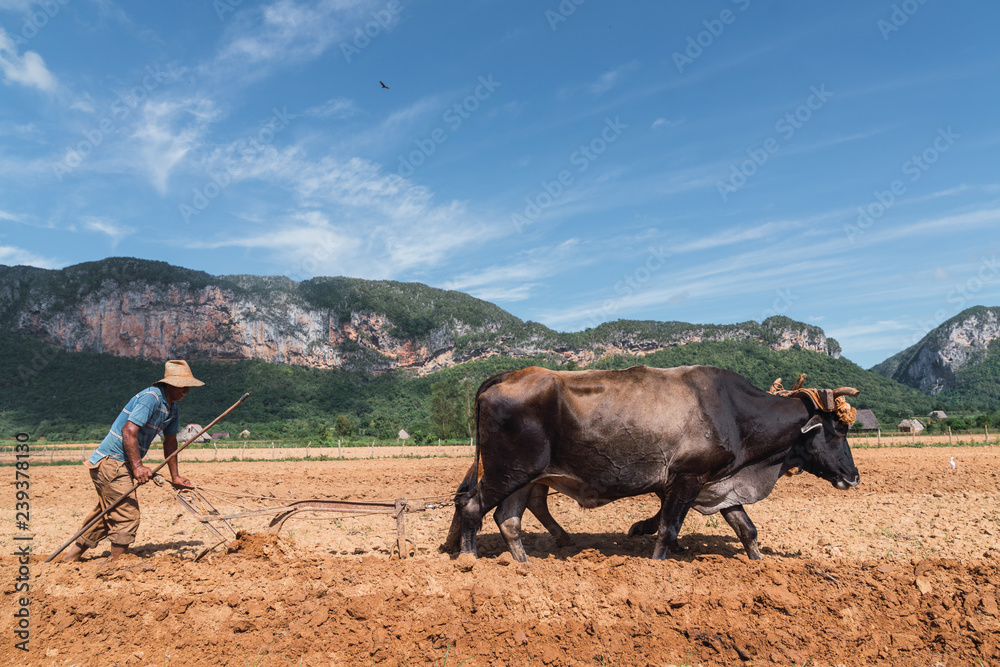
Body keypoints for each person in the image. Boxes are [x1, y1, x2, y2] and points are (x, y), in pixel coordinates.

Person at [60, 360, 204, 563]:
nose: (187, 391)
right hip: (112, 462)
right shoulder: (151, 398)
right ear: (170, 384)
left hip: (121, 464)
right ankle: (117, 565)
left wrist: (175, 476)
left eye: (188, 386)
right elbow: (128, 430)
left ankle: (68, 559)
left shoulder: (172, 408)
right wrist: (137, 466)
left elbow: (170, 442)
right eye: (183, 386)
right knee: (127, 515)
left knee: (108, 513)